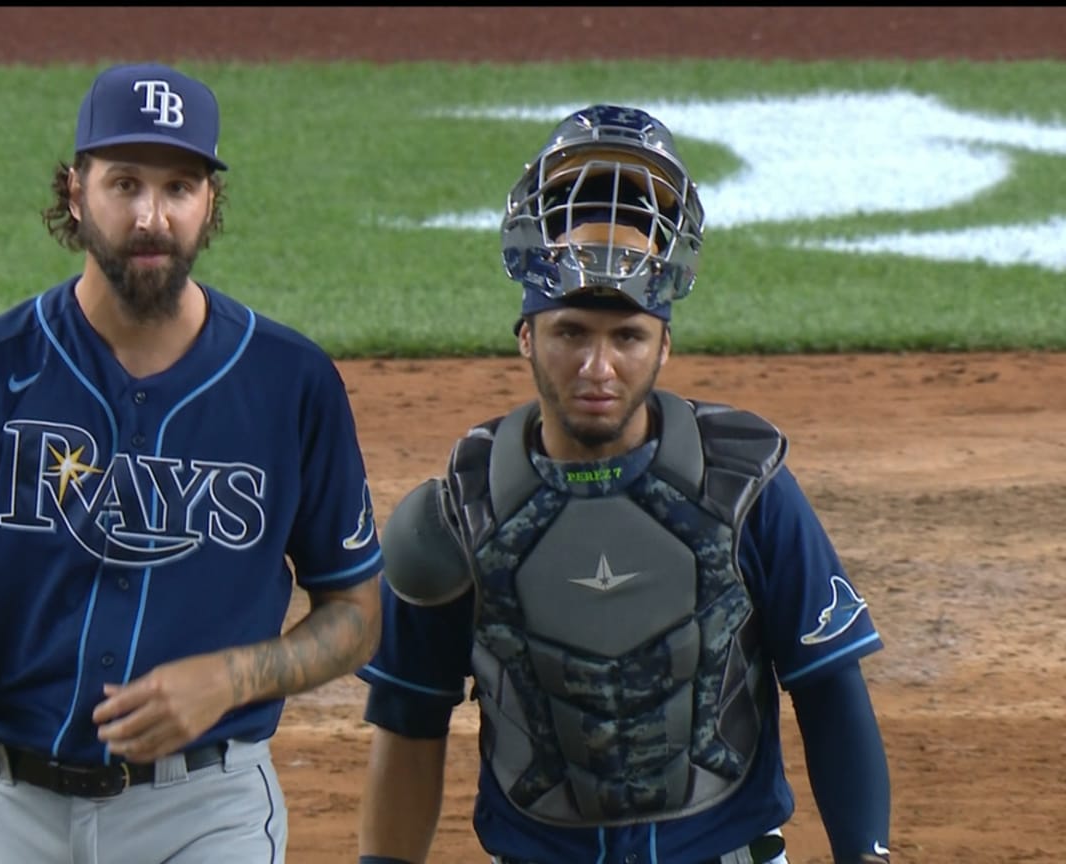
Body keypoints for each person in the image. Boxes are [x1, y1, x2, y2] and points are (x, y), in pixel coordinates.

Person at [354, 105, 892, 864]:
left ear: (664, 345)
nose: (598, 369)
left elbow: (832, 690)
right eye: (571, 332)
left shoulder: (747, 490)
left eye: (628, 337)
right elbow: (409, 723)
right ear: (526, 338)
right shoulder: (460, 513)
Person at [0, 61, 384, 864]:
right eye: (125, 183)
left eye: (180, 187)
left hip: (207, 811)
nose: (152, 216)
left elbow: (358, 615)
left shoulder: (289, 384)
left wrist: (233, 677)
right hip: (18, 815)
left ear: (209, 204)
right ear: (76, 190)